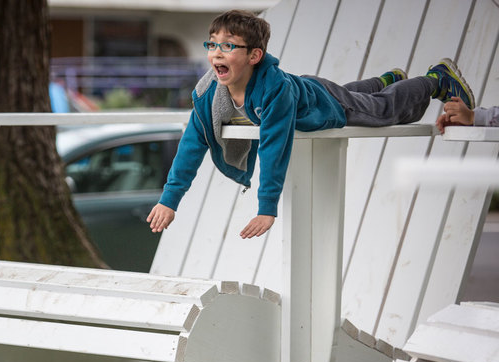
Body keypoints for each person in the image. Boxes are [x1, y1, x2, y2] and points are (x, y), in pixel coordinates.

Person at [147, 9, 474, 239]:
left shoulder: (272, 91)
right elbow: (192, 144)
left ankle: (434, 79)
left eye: (228, 45)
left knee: (383, 110)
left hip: (323, 103)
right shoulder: (207, 94)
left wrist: (267, 207)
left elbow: (275, 146)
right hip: (309, 90)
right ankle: (386, 79)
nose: (217, 53)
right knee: (355, 95)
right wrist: (169, 199)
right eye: (213, 44)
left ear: (254, 56)